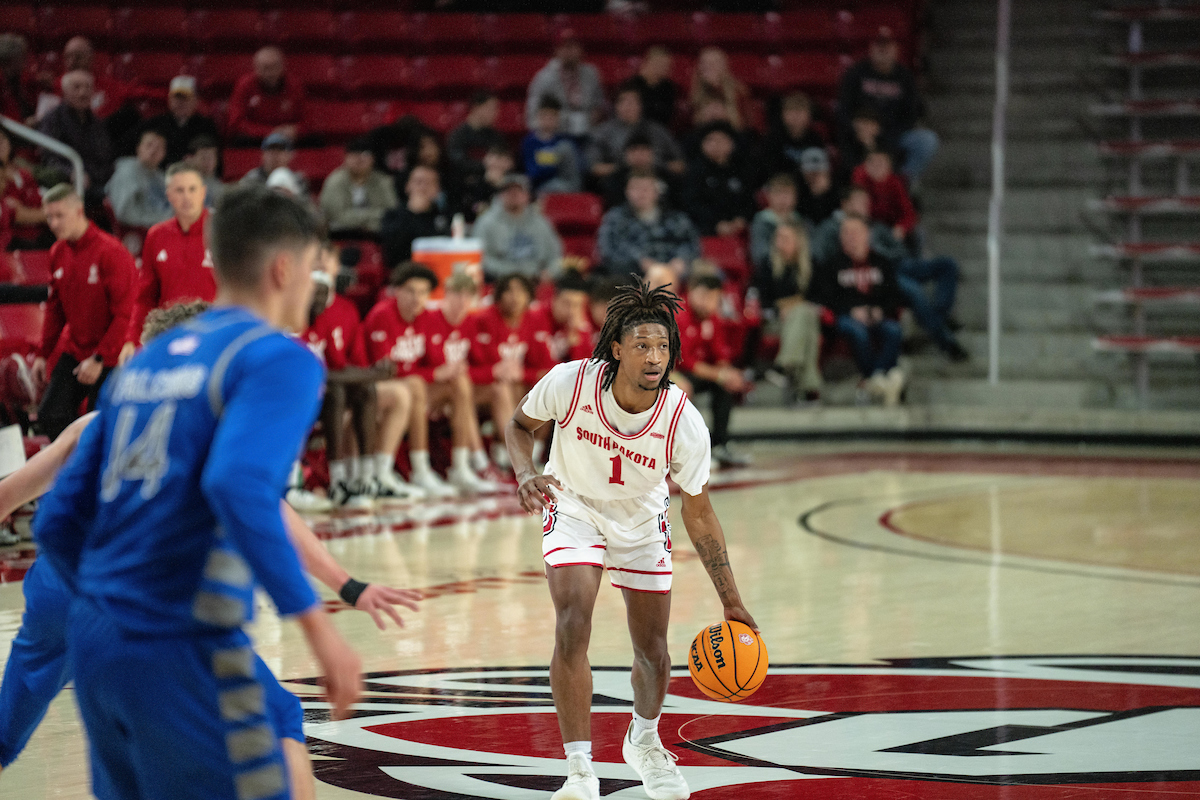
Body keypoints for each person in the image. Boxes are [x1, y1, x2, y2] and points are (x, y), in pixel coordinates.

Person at [0, 298, 421, 791]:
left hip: (60, 590)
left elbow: (20, 502)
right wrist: (347, 586)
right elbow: (271, 514)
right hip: (143, 600)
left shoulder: (94, 423)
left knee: (8, 735)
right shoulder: (201, 427)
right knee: (281, 716)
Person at [32, 185, 363, 799]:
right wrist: (319, 629)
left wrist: (112, 603)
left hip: (96, 642)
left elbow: (54, 522)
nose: (317, 285)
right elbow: (238, 486)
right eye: (316, 267)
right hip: (182, 643)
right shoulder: (277, 358)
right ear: (284, 268)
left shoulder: (145, 366)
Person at [506, 280, 757, 800]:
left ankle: (644, 741)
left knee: (654, 651)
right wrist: (524, 471)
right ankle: (579, 771)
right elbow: (517, 425)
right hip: (573, 504)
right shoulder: (570, 383)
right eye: (642, 345)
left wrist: (731, 600)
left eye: (662, 346)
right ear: (616, 348)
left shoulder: (682, 420)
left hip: (643, 521)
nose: (654, 356)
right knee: (573, 620)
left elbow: (701, 511)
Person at [304, 246, 424, 506]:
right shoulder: (296, 311)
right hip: (311, 391)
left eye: (327, 259)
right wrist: (371, 374)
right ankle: (339, 481)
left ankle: (373, 476)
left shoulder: (347, 309)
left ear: (338, 267)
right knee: (338, 393)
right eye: (316, 260)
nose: (321, 264)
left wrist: (372, 374)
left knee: (381, 391)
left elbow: (354, 364)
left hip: (343, 386)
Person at [361, 264, 493, 496]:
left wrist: (445, 372)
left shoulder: (426, 318)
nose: (417, 298)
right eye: (411, 291)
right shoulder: (382, 315)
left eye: (423, 293)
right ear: (396, 291)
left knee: (459, 383)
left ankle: (460, 467)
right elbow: (384, 370)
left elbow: (435, 363)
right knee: (416, 385)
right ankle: (419, 469)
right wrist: (433, 374)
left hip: (415, 390)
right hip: (377, 389)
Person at [32, 184, 135, 440]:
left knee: (99, 425)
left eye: (59, 216)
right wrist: (43, 353)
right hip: (77, 349)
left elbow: (125, 313)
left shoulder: (111, 253)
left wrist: (100, 358)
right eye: (49, 217)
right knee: (51, 415)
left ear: (79, 212)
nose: (53, 223)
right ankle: (73, 472)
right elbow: (55, 309)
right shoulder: (58, 252)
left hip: (109, 356)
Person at [119, 162, 215, 365]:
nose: (187, 197)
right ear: (169, 195)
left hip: (212, 337)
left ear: (203, 193)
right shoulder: (157, 236)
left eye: (192, 189)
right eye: (179, 190)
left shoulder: (223, 232)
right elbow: (145, 297)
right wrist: (131, 340)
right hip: (169, 339)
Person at [811, 214, 905, 405]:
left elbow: (894, 296)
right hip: (844, 317)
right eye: (845, 232)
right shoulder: (832, 264)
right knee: (857, 332)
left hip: (876, 315)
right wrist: (852, 311)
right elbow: (824, 297)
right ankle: (876, 379)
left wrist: (879, 310)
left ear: (867, 234)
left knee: (894, 331)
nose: (849, 236)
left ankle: (871, 380)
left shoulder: (882, 262)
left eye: (854, 232)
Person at [836, 26, 938, 183]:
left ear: (896, 49)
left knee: (927, 140)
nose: (883, 50)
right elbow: (843, 108)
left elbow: (910, 115)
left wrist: (885, 134)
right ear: (871, 48)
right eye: (879, 46)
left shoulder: (905, 77)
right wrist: (857, 128)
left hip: (893, 134)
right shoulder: (855, 73)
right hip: (859, 134)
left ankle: (903, 182)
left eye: (887, 46)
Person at [676, 274, 752, 467]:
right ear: (696, 294)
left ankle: (719, 444)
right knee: (684, 389)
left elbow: (719, 354)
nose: (714, 304)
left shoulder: (712, 318)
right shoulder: (679, 315)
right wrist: (720, 374)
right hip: (673, 372)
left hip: (700, 372)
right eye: (711, 298)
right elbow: (685, 361)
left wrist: (729, 374)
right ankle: (688, 450)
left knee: (724, 386)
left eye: (717, 299)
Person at [755, 221, 822, 404]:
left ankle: (784, 367)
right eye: (778, 238)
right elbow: (762, 302)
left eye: (786, 238)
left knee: (804, 315)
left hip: (802, 320)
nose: (780, 242)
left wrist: (793, 307)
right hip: (775, 323)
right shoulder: (767, 265)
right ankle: (809, 389)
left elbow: (819, 299)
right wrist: (782, 309)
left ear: (798, 241)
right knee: (806, 318)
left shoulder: (812, 265)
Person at [596, 171, 700, 278]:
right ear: (627, 192)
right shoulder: (614, 218)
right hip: (632, 274)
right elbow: (607, 250)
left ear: (657, 192)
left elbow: (691, 245)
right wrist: (639, 260)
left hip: (674, 272)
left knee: (704, 269)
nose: (641, 193)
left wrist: (681, 259)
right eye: (635, 189)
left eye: (646, 189)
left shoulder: (676, 219)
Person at [37, 70, 113, 210]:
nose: (83, 93)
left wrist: (95, 175)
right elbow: (48, 157)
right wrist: (72, 173)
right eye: (77, 87)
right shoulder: (53, 119)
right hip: (68, 182)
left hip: (98, 181)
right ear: (65, 92)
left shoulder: (97, 123)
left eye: (87, 87)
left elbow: (105, 158)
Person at [585, 82, 684, 183]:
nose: (627, 106)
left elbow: (680, 164)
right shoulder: (603, 132)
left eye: (632, 102)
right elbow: (594, 167)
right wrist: (625, 167)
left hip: (657, 181)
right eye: (622, 101)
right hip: (619, 182)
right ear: (616, 106)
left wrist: (655, 165)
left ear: (641, 105)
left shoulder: (657, 130)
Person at [473, 173, 563, 281]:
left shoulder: (541, 223)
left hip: (536, 279)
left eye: (518, 191)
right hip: (500, 280)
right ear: (500, 195)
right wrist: (511, 275)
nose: (513, 194)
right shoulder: (486, 222)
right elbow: (480, 257)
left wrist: (550, 272)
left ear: (527, 195)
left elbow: (556, 254)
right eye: (508, 191)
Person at [524, 29, 606, 141]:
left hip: (589, 134)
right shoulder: (544, 78)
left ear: (580, 49)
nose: (570, 51)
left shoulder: (591, 74)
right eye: (565, 47)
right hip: (557, 135)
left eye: (573, 46)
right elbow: (532, 116)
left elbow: (601, 105)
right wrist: (553, 122)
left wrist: (596, 114)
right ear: (557, 51)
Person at [681, 121, 755, 237]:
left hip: (740, 229)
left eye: (721, 140)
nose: (716, 144)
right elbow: (692, 204)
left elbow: (750, 200)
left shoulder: (741, 170)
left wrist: (742, 218)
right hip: (706, 230)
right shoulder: (694, 171)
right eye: (710, 140)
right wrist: (716, 224)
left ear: (731, 144)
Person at [227, 46, 308, 145]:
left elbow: (307, 120)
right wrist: (270, 131)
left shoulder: (295, 85)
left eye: (274, 67)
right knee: (240, 141)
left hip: (287, 137)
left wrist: (296, 130)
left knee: (315, 141)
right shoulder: (244, 85)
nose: (270, 73)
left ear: (282, 66)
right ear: (256, 68)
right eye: (265, 68)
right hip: (257, 138)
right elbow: (236, 123)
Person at [319, 138, 399, 236]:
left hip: (378, 233)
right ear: (345, 158)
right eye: (354, 156)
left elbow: (392, 212)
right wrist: (373, 216)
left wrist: (362, 219)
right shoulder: (335, 181)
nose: (359, 160)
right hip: (340, 234)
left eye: (364, 156)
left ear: (373, 159)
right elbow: (337, 216)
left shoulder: (383, 181)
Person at [379, 165, 452, 268]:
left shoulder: (445, 216)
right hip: (403, 271)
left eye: (428, 183)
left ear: (437, 189)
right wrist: (412, 212)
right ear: (407, 186)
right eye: (418, 182)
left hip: (437, 268)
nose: (422, 188)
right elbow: (392, 250)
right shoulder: (392, 215)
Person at [105, 128, 172, 236]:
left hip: (163, 228)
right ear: (139, 148)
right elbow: (125, 214)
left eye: (159, 148)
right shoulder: (127, 172)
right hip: (139, 235)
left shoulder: (161, 177)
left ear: (164, 153)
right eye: (149, 145)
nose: (153, 151)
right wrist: (161, 222)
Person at [144, 76, 222, 167]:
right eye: (177, 98)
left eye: (185, 98)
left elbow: (216, 163)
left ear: (195, 100)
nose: (180, 102)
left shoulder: (206, 126)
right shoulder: (155, 123)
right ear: (170, 99)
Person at [852, 149, 919, 248]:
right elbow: (857, 212)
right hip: (868, 226)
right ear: (865, 165)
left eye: (881, 163)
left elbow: (909, 213)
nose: (877, 167)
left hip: (890, 227)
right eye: (872, 163)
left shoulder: (895, 183)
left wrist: (901, 227)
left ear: (889, 167)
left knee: (918, 234)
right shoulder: (860, 181)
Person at [527, 270, 594, 364]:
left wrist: (576, 342)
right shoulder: (536, 316)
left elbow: (586, 367)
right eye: (567, 303)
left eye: (577, 305)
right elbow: (540, 364)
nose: (571, 310)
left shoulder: (581, 322)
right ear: (554, 300)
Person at [600, 133, 679, 211]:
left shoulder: (667, 177)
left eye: (643, 150)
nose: (639, 155)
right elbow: (614, 203)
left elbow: (675, 202)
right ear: (626, 154)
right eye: (634, 150)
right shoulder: (615, 179)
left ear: (652, 153)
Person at [521, 96, 582, 195]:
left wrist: (546, 160)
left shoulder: (564, 139)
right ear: (538, 117)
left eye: (552, 117)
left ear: (558, 118)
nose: (548, 120)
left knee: (565, 147)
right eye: (544, 116)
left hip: (567, 184)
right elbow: (532, 172)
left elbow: (577, 167)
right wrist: (554, 161)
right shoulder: (530, 142)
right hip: (540, 188)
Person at [0, 127, 49, 249]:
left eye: (2, 139)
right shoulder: (2, 179)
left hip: (40, 233)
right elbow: (16, 215)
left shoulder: (24, 173)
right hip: (13, 240)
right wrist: (50, 215)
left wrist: (48, 214)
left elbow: (39, 201)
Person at [762, 93, 825, 183]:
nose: (796, 115)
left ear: (809, 114)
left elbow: (819, 170)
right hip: (779, 187)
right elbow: (769, 170)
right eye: (791, 110)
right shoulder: (773, 139)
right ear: (783, 114)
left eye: (800, 111)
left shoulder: (815, 140)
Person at [447, 91, 505, 182]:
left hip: (492, 182)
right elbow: (458, 163)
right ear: (476, 108)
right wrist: (486, 165)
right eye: (491, 108)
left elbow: (505, 158)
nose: (496, 113)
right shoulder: (458, 136)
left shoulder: (496, 136)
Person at [750, 173, 805, 270]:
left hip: (800, 271)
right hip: (770, 272)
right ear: (769, 196)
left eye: (787, 193)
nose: (783, 198)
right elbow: (759, 254)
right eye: (778, 193)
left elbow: (810, 252)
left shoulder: (801, 221)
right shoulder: (761, 222)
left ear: (795, 197)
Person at [688, 47, 750, 131]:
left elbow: (749, 127)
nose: (708, 67)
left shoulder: (738, 91)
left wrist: (726, 118)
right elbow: (684, 131)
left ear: (724, 66)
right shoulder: (694, 93)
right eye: (704, 63)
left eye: (714, 63)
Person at [239, 132, 308, 196]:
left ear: (290, 155)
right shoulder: (252, 179)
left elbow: (306, 206)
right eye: (271, 151)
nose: (275, 155)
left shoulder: (298, 179)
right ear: (263, 155)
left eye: (280, 150)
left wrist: (292, 198)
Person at [461, 144, 515, 221]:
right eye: (492, 157)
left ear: (510, 163)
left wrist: (499, 185)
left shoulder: (517, 184)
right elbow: (471, 208)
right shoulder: (474, 182)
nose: (495, 162)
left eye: (499, 158)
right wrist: (487, 184)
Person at [629, 46, 678, 129]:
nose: (664, 69)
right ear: (648, 62)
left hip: (657, 131)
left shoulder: (668, 88)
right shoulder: (631, 85)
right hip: (631, 128)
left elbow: (666, 116)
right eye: (660, 64)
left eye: (667, 65)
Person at [795, 147, 840, 227]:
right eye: (810, 172)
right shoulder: (797, 188)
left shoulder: (835, 188)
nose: (815, 176)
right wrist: (815, 195)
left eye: (818, 171)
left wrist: (822, 194)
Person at [184, 134, 225, 208]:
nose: (208, 161)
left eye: (212, 157)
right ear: (189, 159)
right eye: (203, 157)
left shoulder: (219, 187)